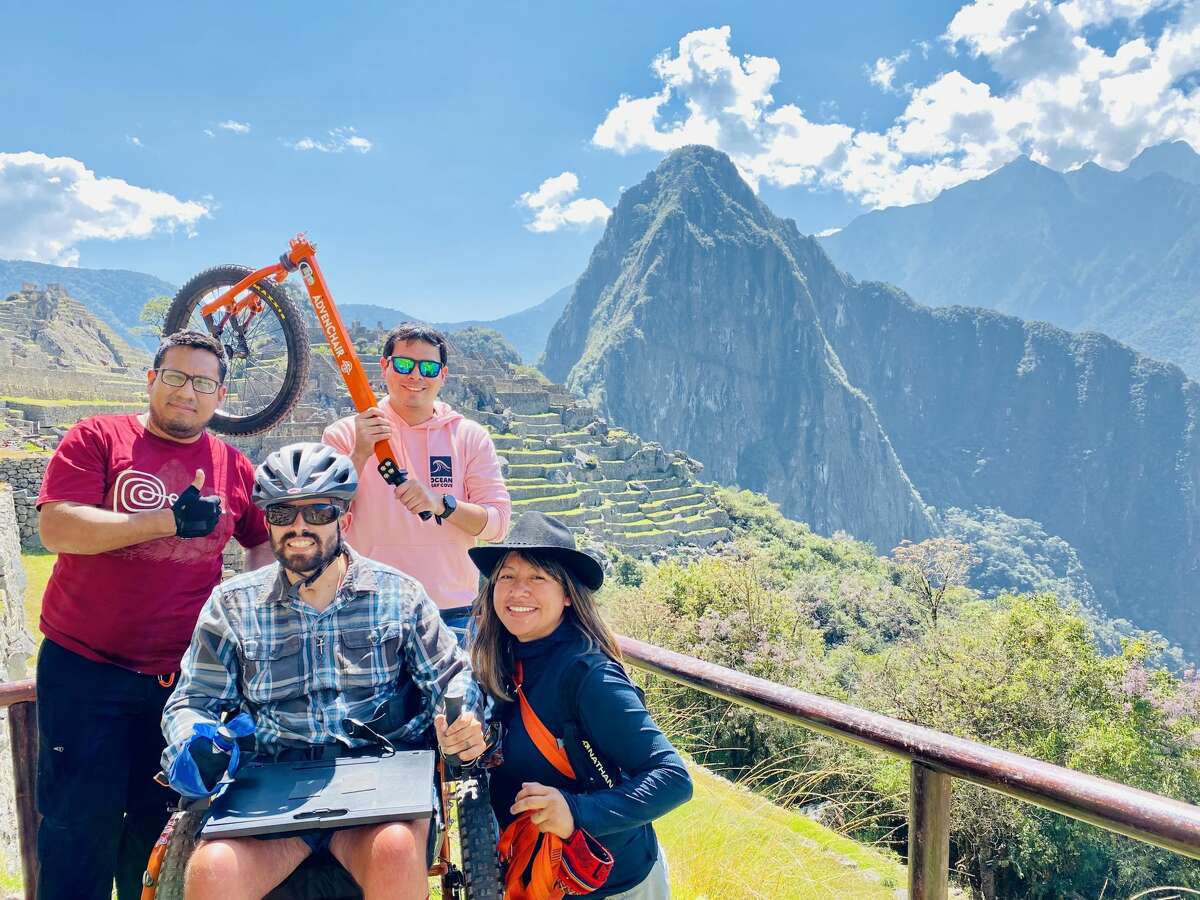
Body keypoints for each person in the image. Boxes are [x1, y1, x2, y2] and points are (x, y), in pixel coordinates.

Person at [161, 442, 488, 900]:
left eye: (317, 512)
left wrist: (462, 719)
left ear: (344, 520)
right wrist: (195, 736)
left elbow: (453, 677)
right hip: (271, 787)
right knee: (215, 869)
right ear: (268, 523)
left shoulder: (401, 596)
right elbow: (193, 699)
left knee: (395, 849)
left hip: (379, 786)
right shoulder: (232, 606)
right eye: (282, 514)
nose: (299, 527)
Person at [34, 329, 273, 900]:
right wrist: (164, 522)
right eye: (175, 377)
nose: (186, 392)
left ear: (219, 395)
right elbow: (56, 526)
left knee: (161, 828)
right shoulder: (98, 438)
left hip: (183, 685)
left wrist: (254, 611)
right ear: (151, 380)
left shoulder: (231, 466)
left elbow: (261, 543)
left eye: (202, 383)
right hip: (87, 670)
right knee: (76, 826)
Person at [468, 512, 692, 899]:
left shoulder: (589, 676)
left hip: (610, 885)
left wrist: (575, 812)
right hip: (540, 876)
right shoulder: (505, 656)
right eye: (507, 577)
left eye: (537, 578)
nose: (518, 591)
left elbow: (673, 779)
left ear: (568, 594)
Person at [322, 323, 510, 637]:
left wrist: (442, 505)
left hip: (452, 615)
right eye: (405, 364)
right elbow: (323, 515)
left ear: (443, 375)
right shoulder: (345, 434)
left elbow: (497, 524)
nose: (416, 376)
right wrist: (360, 453)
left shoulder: (469, 437)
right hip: (367, 610)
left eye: (429, 367)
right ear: (385, 367)